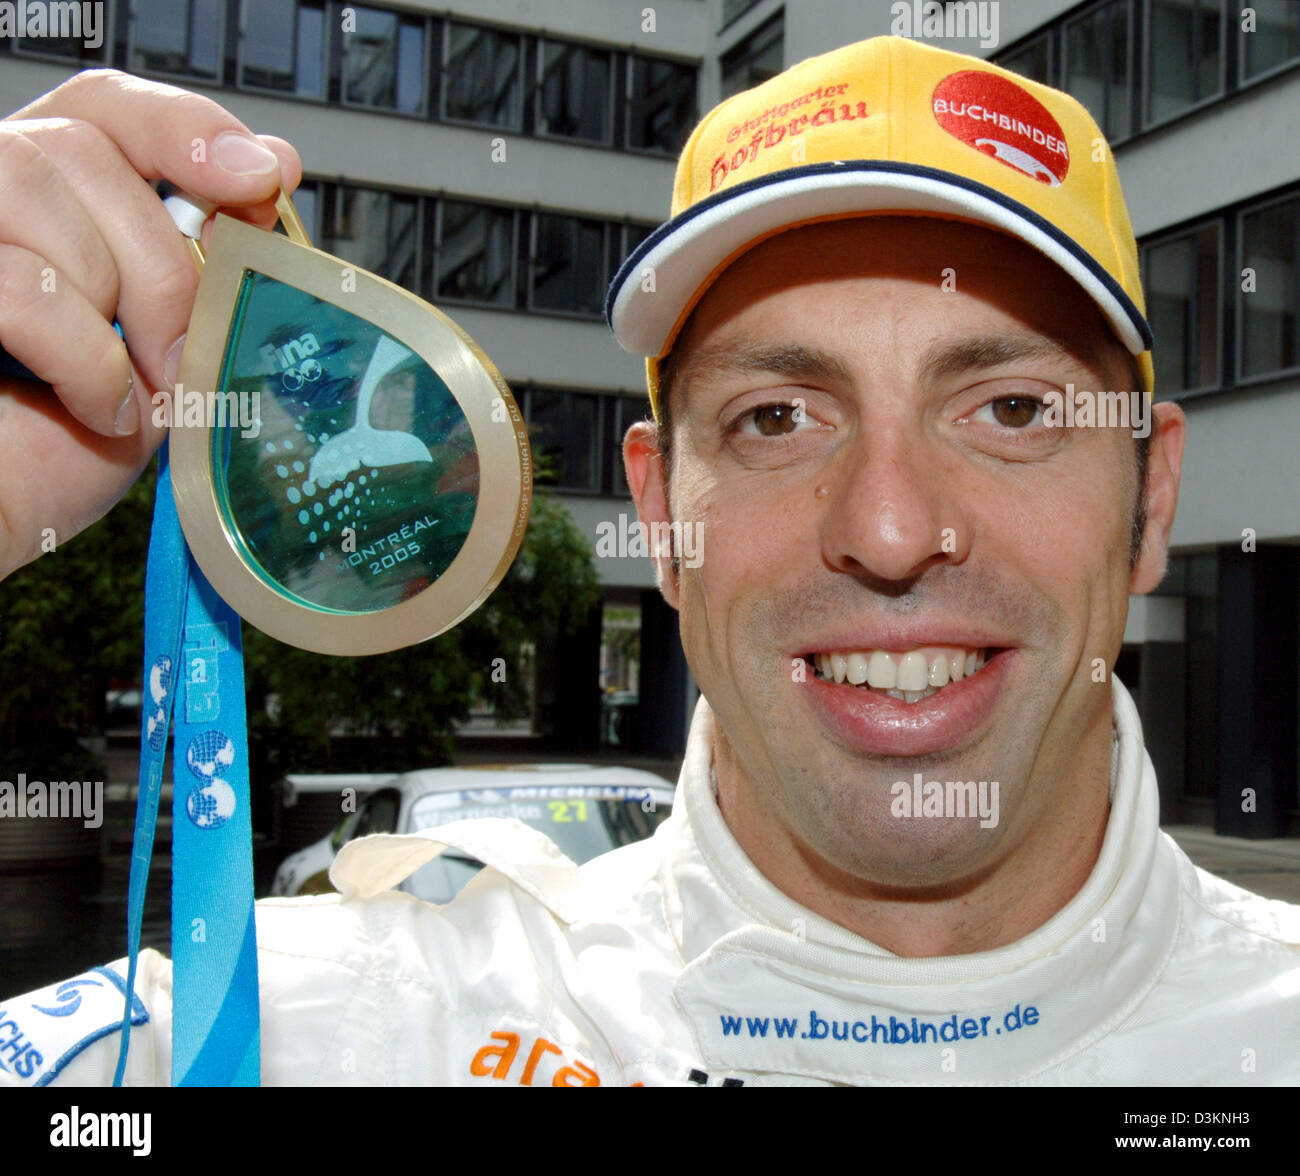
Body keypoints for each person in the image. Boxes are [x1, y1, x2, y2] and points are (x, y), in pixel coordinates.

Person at [1, 37, 1296, 1088]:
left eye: (1011, 410)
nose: (894, 529)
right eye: (777, 417)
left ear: (1150, 498)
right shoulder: (327, 1027)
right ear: (663, 509)